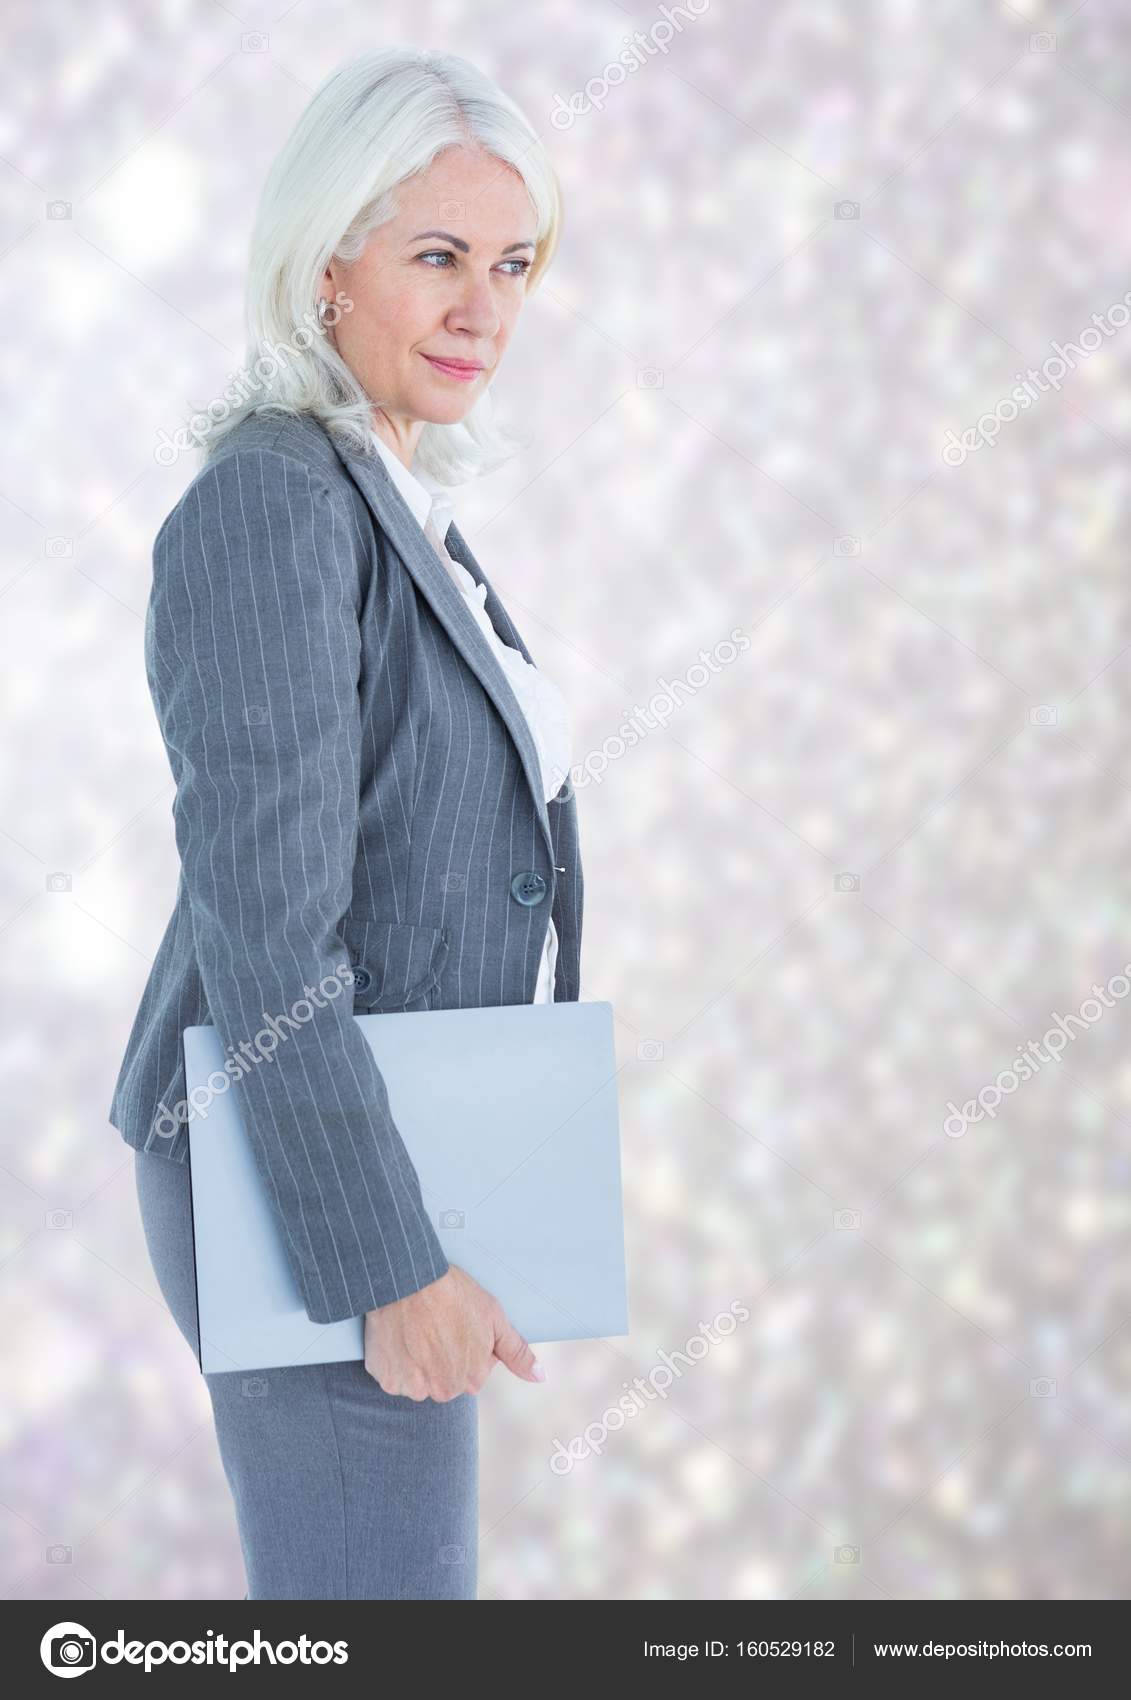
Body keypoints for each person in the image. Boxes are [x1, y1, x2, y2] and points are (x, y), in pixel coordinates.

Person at [109, 45, 583, 1601]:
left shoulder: (389, 494)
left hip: (380, 1148)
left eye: (511, 264)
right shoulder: (276, 505)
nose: (483, 309)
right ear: (326, 268)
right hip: (301, 1175)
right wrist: (382, 1262)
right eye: (436, 257)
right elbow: (266, 934)